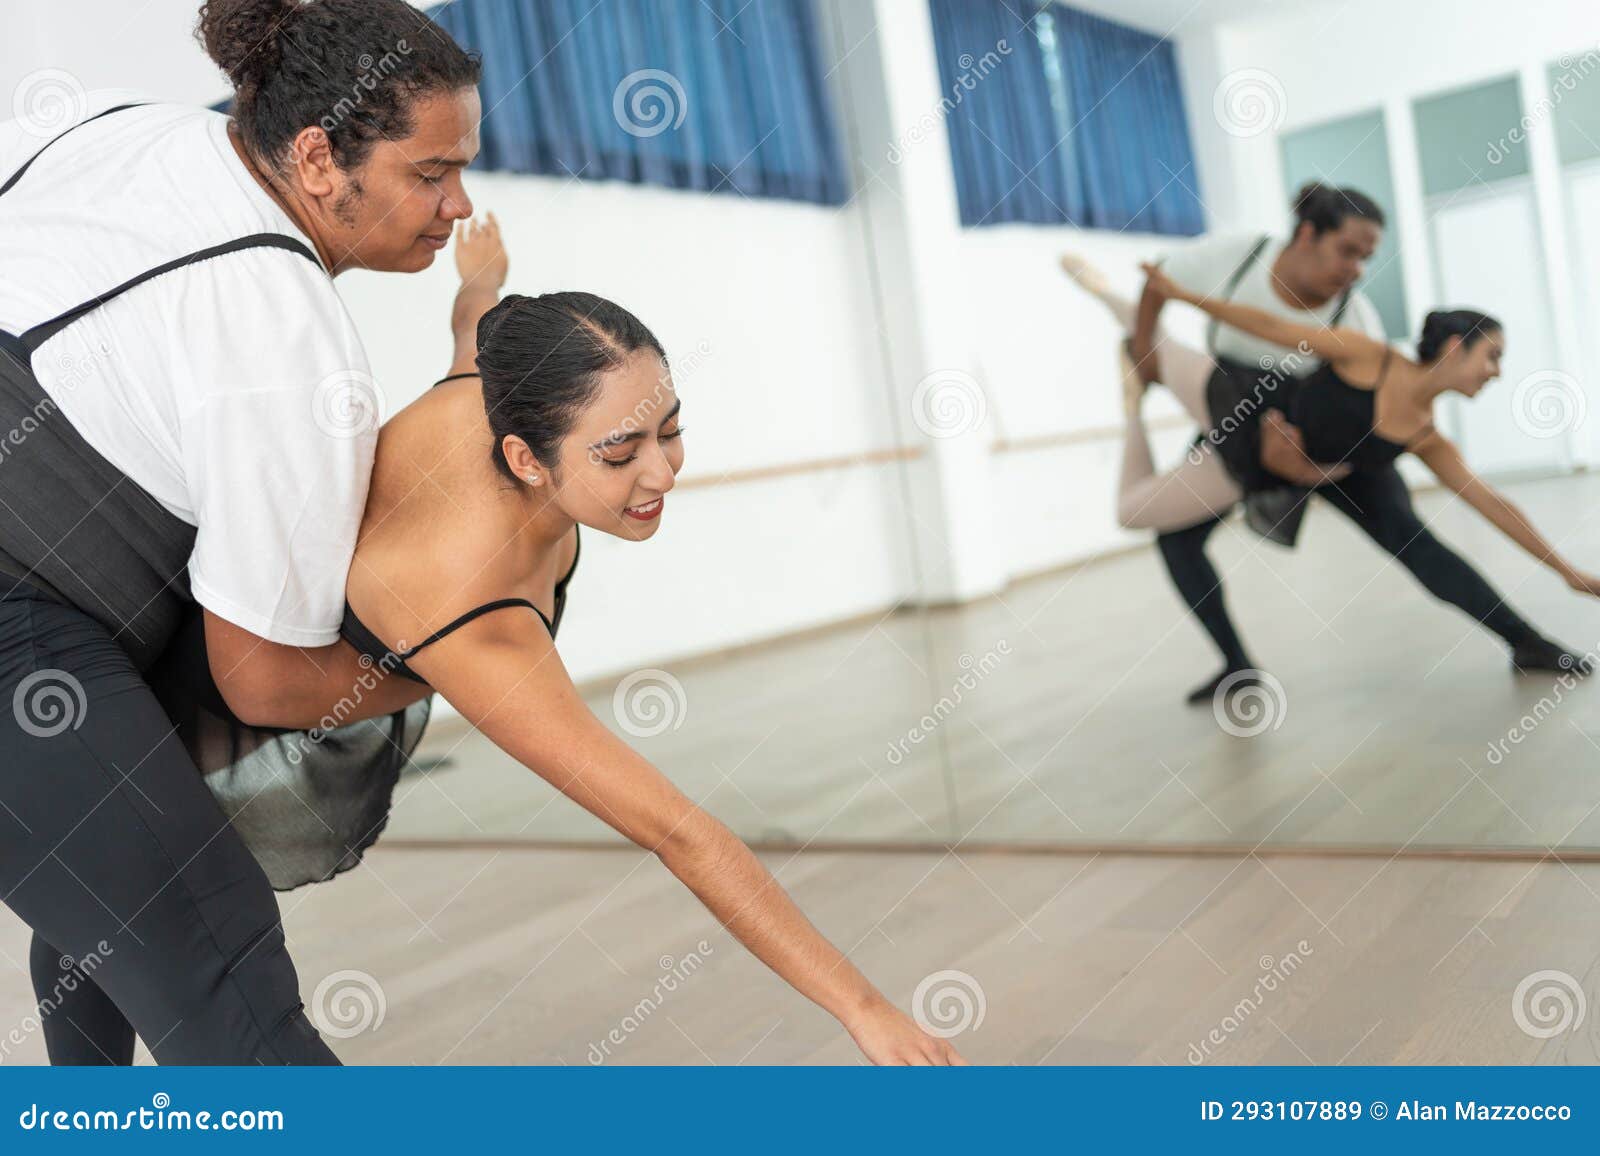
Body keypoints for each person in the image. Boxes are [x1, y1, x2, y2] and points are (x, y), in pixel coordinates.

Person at [32, 217, 969, 1067]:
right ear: (523, 456)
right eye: (620, 452)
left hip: (308, 645)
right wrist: (865, 1008)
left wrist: (480, 278)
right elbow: (679, 832)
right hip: (195, 691)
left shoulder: (501, 386)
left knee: (101, 912)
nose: (661, 473)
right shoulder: (473, 614)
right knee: (128, 906)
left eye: (670, 430)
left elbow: (475, 335)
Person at [0, 0, 483, 1064]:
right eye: (431, 172)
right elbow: (263, 677)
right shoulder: (290, 335)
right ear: (318, 157)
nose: (459, 203)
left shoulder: (113, 124)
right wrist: (447, 667)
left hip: (44, 626)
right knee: (226, 982)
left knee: (104, 923)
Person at [1061, 184, 1586, 702]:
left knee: (1414, 543)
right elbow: (1259, 321)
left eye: (1366, 257)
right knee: (1171, 531)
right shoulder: (1269, 280)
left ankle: (1528, 643)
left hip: (1341, 459)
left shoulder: (1376, 354)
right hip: (1244, 411)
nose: (1356, 268)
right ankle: (1237, 667)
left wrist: (1567, 572)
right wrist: (1176, 309)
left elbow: (1491, 502)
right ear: (1309, 234)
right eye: (1349, 252)